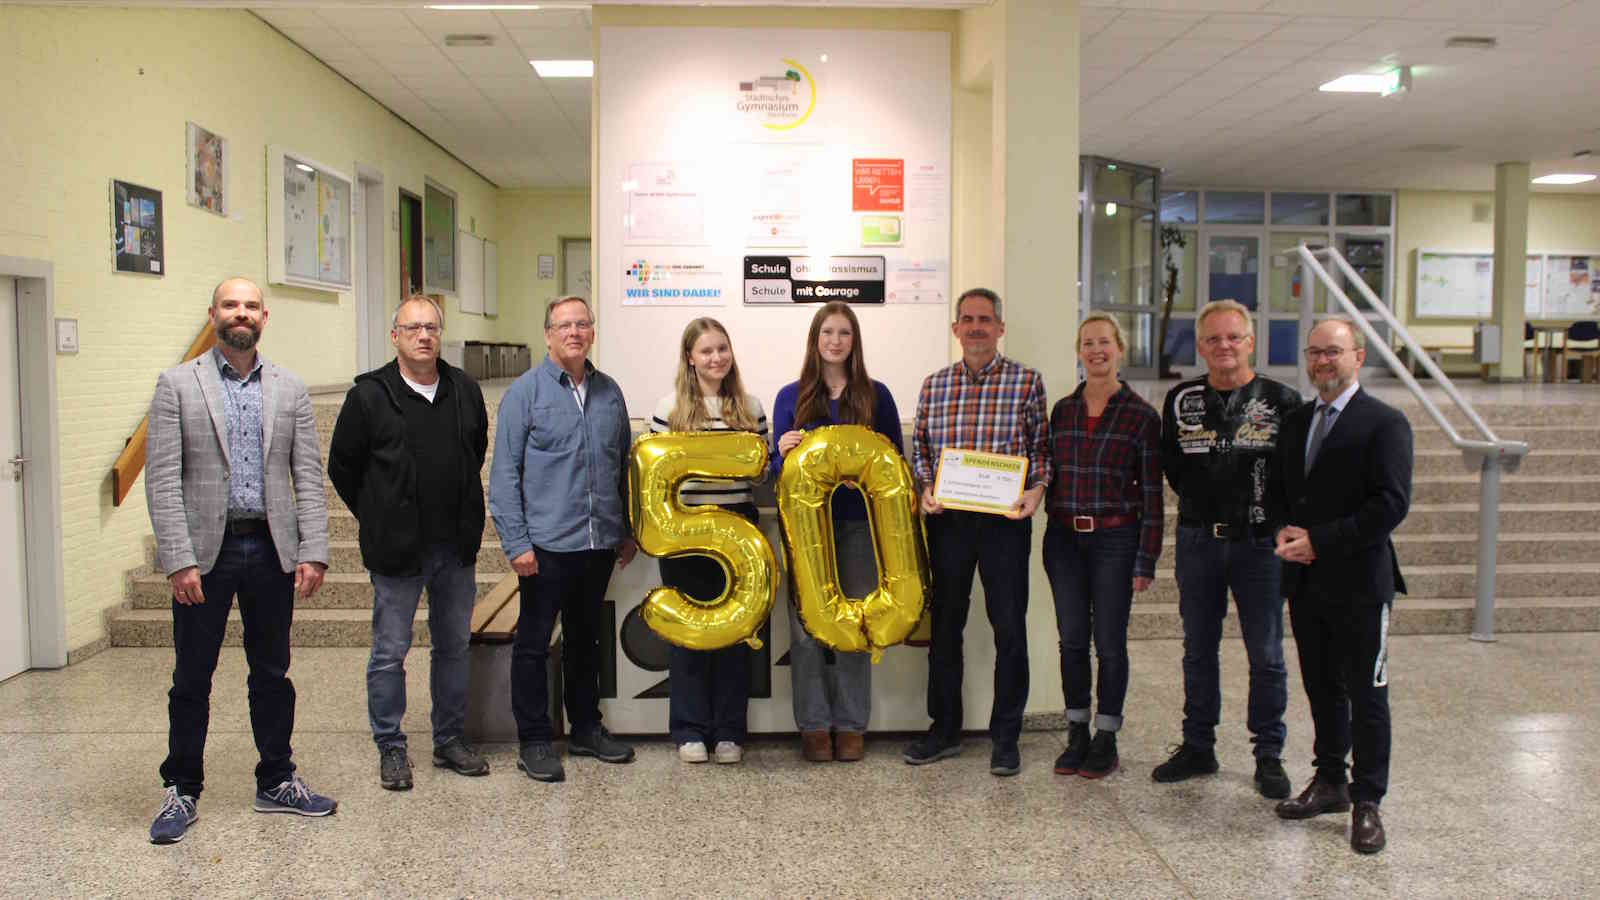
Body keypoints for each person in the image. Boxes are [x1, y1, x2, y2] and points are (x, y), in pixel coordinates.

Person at [144, 277, 334, 844]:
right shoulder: (178, 385)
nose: (241, 314)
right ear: (213, 315)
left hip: (271, 548)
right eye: (231, 305)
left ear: (264, 317)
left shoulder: (290, 388)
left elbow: (306, 474)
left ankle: (276, 779)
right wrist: (178, 559)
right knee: (192, 677)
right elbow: (161, 480)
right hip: (207, 553)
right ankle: (181, 788)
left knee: (272, 673)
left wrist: (313, 550)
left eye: (250, 306)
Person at [328, 294, 490, 791]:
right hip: (397, 552)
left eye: (432, 328)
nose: (424, 336)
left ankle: (448, 740)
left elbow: (476, 449)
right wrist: (379, 515)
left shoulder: (463, 389)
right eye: (413, 328)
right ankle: (391, 745)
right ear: (395, 336)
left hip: (454, 547)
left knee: (452, 647)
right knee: (389, 651)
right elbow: (342, 467)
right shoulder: (369, 396)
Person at [1273, 317, 1411, 855]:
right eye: (1314, 353)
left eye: (1333, 352)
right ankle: (1330, 781)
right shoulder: (1296, 421)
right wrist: (1284, 530)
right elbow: (1285, 491)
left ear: (1358, 356)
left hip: (1360, 584)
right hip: (1306, 584)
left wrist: (1321, 541)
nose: (1322, 362)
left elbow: (1391, 505)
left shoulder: (1385, 423)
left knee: (1366, 694)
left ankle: (1368, 799)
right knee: (1322, 687)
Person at [1154, 299, 1301, 800]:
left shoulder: (1283, 401)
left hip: (1260, 544)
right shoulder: (1181, 399)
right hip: (1198, 540)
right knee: (1198, 649)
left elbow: (1296, 474)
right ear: (1200, 346)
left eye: (1234, 337)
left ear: (1251, 342)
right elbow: (1171, 466)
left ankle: (1268, 753)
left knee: (1266, 653)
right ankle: (1199, 744)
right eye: (1214, 339)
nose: (1225, 347)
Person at [489, 295, 638, 784]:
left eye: (582, 324)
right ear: (548, 334)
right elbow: (505, 475)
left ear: (592, 332)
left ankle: (585, 729)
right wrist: (517, 543)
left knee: (585, 640)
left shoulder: (610, 393)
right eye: (564, 325)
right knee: (533, 644)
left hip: (597, 543)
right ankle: (534, 740)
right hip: (546, 545)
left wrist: (624, 530)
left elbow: (621, 468)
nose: (574, 332)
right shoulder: (525, 394)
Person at [905, 288, 1050, 777]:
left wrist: (1036, 492)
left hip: (1004, 523)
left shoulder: (1027, 382)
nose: (976, 327)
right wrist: (925, 487)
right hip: (949, 523)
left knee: (1010, 628)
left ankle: (1005, 737)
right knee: (945, 627)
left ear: (1000, 328)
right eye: (967, 319)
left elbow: (1041, 450)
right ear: (955, 329)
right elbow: (921, 449)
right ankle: (944, 729)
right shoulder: (934, 385)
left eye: (985, 319)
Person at [771, 302, 903, 763]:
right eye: (827, 331)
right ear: (815, 338)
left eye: (844, 332)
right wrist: (781, 451)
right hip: (805, 532)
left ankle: (850, 725)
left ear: (854, 341)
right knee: (807, 630)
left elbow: (895, 466)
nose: (835, 340)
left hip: (860, 528)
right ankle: (812, 726)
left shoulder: (876, 395)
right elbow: (775, 470)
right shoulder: (791, 396)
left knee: (854, 625)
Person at [1042, 313, 1162, 780]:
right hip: (1064, 539)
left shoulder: (1141, 417)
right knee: (1071, 639)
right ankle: (1077, 732)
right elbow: (1046, 474)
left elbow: (1153, 494)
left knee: (1109, 644)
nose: (1096, 350)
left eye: (1105, 343)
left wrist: (1145, 558)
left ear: (1120, 349)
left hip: (1116, 539)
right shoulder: (1063, 411)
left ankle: (1106, 736)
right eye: (1088, 343)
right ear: (1078, 350)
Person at [649, 318, 770, 765]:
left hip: (738, 529)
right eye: (706, 351)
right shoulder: (669, 409)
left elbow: (760, 473)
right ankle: (689, 730)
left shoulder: (751, 407)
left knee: (735, 634)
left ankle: (729, 732)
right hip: (684, 531)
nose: (716, 357)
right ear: (690, 358)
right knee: (690, 634)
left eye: (722, 348)